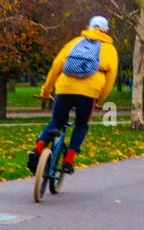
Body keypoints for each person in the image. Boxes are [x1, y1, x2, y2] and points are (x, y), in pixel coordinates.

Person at [29, 15, 119, 175]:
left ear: (89, 27)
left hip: (64, 88)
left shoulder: (75, 43)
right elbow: (110, 80)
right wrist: (99, 99)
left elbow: (57, 64)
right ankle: (68, 160)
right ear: (106, 31)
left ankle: (37, 148)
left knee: (57, 121)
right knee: (81, 124)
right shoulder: (110, 50)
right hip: (89, 93)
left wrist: (46, 91)